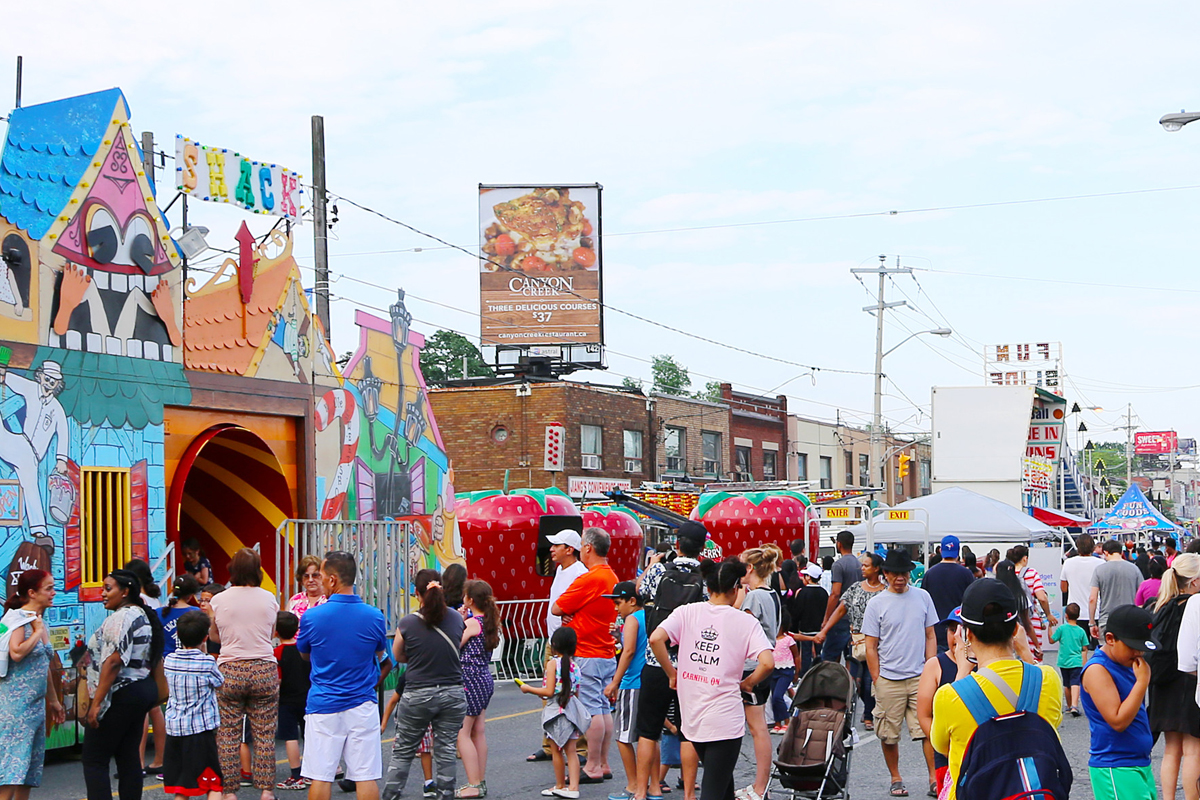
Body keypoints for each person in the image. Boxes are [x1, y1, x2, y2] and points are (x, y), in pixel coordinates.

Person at [650, 557, 774, 800]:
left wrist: (672, 673)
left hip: (692, 715)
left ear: (708, 588)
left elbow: (656, 639)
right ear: (735, 589)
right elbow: (768, 662)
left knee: (721, 782)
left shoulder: (687, 612)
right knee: (715, 788)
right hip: (725, 719)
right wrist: (748, 683)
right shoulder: (745, 622)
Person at [929, 580, 1063, 800]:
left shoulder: (949, 696)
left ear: (967, 634)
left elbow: (942, 747)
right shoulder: (1048, 679)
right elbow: (1050, 726)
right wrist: (1027, 653)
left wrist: (962, 668)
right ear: (1015, 629)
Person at [299, 551, 388, 800]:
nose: (319, 580)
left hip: (323, 704)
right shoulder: (374, 616)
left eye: (322, 575)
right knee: (365, 775)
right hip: (362, 703)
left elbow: (305, 653)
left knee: (321, 775)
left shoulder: (312, 617)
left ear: (333, 579)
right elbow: (380, 652)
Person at [634, 522, 707, 800]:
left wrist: (653, 565)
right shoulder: (705, 576)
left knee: (648, 730)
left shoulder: (659, 570)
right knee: (688, 732)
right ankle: (689, 794)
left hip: (656, 659)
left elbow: (641, 595)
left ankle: (641, 792)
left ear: (677, 544)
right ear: (701, 548)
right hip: (690, 664)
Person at [862, 549, 938, 799]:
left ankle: (933, 778)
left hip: (919, 676)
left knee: (928, 730)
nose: (900, 577)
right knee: (888, 732)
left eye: (904, 573)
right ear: (885, 574)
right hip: (888, 678)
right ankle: (896, 777)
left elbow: (930, 635)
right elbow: (870, 645)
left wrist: (931, 667)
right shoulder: (877, 603)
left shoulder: (923, 597)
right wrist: (877, 677)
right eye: (895, 573)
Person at [82, 569, 165, 800]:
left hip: (120, 693)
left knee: (94, 759)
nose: (102, 594)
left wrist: (96, 703)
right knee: (128, 757)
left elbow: (114, 662)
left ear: (125, 591)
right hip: (140, 692)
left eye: (108, 589)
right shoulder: (141, 614)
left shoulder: (122, 617)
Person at [385, 569, 466, 800]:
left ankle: (391, 794)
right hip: (452, 693)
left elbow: (398, 656)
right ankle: (445, 795)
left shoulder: (408, 622)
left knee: (404, 750)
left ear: (416, 593)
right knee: (446, 750)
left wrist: (419, 656)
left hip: (418, 694)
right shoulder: (456, 618)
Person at [209, 547, 280, 800]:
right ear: (257, 571)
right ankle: (267, 791)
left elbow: (214, 636)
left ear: (232, 570)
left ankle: (229, 792)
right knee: (264, 733)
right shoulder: (269, 598)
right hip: (264, 668)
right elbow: (272, 633)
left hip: (230, 669)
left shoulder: (218, 600)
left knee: (227, 733)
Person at [551, 528, 619, 784]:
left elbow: (558, 607)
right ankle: (602, 761)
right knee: (603, 707)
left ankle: (592, 765)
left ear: (589, 548)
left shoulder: (590, 578)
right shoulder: (610, 576)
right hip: (605, 650)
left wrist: (571, 613)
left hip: (587, 650)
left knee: (592, 710)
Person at [1081, 604, 1157, 800]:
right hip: (1115, 764)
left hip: (1138, 762)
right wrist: (1141, 682)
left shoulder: (1129, 664)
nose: (1138, 654)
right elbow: (1117, 720)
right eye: (1133, 647)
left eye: (1142, 648)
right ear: (1110, 639)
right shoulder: (1097, 670)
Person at [0, 569, 63, 799]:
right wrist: (36, 632)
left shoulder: (37, 620)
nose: (53, 593)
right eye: (48, 589)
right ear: (31, 592)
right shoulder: (19, 620)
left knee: (29, 771)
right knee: (11, 769)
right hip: (16, 707)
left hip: (35, 706)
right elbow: (17, 653)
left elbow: (43, 664)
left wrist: (54, 701)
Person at [529, 522, 588, 764]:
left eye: (557, 545)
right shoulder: (561, 571)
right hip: (553, 641)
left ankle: (580, 749)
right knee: (549, 696)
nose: (551, 549)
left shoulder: (580, 573)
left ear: (570, 549)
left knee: (571, 696)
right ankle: (550, 743)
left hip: (570, 643)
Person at [1149, 553, 1200, 800]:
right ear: (1194, 581)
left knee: (1171, 750)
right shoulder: (1195, 608)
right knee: (1193, 750)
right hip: (1189, 683)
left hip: (1163, 684)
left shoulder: (1160, 606)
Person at [817, 551, 886, 731]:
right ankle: (865, 708)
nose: (862, 568)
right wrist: (825, 629)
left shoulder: (886, 590)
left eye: (866, 565)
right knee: (855, 680)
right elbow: (841, 610)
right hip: (855, 642)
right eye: (862, 565)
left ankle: (869, 713)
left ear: (877, 568)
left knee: (869, 679)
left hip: (878, 643)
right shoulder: (855, 587)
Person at [162, 610, 224, 800]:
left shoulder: (170, 660)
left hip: (174, 730)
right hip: (200, 730)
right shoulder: (207, 662)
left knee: (182, 785)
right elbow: (219, 682)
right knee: (214, 782)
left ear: (178, 635)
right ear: (205, 637)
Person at [521, 626, 590, 799]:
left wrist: (528, 688)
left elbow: (549, 691)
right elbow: (576, 692)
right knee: (571, 751)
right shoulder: (575, 666)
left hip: (556, 710)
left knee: (556, 749)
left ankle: (560, 785)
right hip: (571, 710)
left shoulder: (553, 664)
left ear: (554, 645)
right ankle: (573, 787)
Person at [736, 547, 782, 800]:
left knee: (757, 728)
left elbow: (743, 630)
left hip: (752, 666)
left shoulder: (753, 598)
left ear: (750, 568)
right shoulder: (771, 593)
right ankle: (759, 786)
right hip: (764, 661)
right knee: (759, 727)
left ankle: (760, 787)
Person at [917, 606, 969, 799]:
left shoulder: (985, 663)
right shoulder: (935, 665)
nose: (956, 636)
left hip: (981, 753)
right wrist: (945, 747)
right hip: (946, 755)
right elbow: (923, 714)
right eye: (951, 629)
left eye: (962, 629)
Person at [602, 581, 646, 800]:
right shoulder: (648, 616)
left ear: (632, 601)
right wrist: (619, 636)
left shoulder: (632, 619)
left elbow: (628, 651)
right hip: (647, 681)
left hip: (632, 683)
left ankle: (633, 785)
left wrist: (614, 682)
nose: (616, 608)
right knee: (648, 737)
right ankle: (650, 784)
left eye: (618, 603)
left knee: (623, 737)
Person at [457, 580, 499, 799]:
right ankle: (479, 780)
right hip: (483, 677)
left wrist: (460, 619)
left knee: (462, 733)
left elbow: (455, 644)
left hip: (469, 679)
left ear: (470, 600)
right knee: (478, 731)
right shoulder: (487, 622)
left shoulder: (472, 623)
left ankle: (473, 783)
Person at [124, 558, 166, 777]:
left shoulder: (138, 600)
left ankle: (137, 763)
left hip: (139, 657)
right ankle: (159, 759)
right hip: (154, 655)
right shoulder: (155, 599)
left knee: (140, 711)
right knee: (155, 708)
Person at [273, 611, 310, 791]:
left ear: (275, 632)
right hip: (307, 697)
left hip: (286, 700)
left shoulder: (277, 653)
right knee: (308, 735)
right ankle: (312, 772)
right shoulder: (304, 650)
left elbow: (278, 680)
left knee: (290, 737)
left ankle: (296, 775)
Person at [919, 536, 976, 652]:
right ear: (958, 551)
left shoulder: (930, 574)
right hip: (959, 630)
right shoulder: (966, 574)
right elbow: (972, 601)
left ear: (941, 551)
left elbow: (923, 603)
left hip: (936, 632)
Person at [821, 530, 862, 664]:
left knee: (829, 655)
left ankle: (831, 682)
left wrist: (827, 618)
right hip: (857, 617)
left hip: (841, 616)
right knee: (853, 656)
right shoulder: (860, 564)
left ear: (839, 544)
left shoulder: (838, 565)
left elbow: (835, 593)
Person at [1007, 546, 1057, 656]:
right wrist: (1048, 614)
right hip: (1030, 620)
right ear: (1025, 558)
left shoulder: (1006, 574)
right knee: (1034, 657)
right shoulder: (1031, 573)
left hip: (1010, 622)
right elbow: (1042, 597)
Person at [1090, 539, 1143, 640]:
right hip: (1129, 619)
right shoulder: (1134, 569)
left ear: (1105, 552)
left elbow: (1093, 598)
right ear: (1121, 552)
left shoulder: (1099, 570)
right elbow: (1141, 595)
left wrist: (1092, 623)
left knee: (1106, 653)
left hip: (1107, 620)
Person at [1061, 534, 1102, 655]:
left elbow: (1063, 588)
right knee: (1099, 650)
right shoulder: (1100, 563)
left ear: (1077, 547)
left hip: (1075, 612)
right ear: (1093, 547)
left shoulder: (1068, 563)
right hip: (1096, 611)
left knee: (1077, 650)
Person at [995, 560, 1040, 662]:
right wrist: (1037, 645)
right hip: (1017, 639)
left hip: (997, 640)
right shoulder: (1020, 595)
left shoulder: (993, 594)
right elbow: (1027, 623)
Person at [1051, 603, 1088, 716]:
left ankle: (1068, 705)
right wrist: (1084, 661)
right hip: (1076, 661)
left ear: (1066, 615)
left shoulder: (1062, 628)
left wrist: (1049, 628)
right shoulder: (1081, 631)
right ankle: (1074, 705)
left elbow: (1052, 640)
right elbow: (1084, 648)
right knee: (1075, 683)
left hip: (1064, 661)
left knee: (1066, 684)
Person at [768, 608, 799, 735]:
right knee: (773, 698)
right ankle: (777, 723)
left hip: (786, 671)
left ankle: (787, 720)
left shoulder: (788, 640)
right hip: (773, 671)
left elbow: (796, 655)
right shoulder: (770, 639)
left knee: (778, 696)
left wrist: (797, 672)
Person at [162, 575, 203, 658]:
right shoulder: (196, 612)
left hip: (165, 662)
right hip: (192, 660)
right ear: (191, 595)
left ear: (172, 588)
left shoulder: (159, 612)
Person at [287, 556, 327, 621]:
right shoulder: (294, 600)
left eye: (315, 575)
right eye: (306, 576)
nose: (310, 580)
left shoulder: (329, 599)